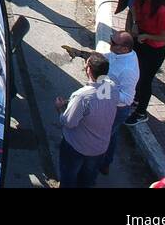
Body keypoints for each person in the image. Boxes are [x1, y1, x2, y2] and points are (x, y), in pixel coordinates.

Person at [62, 31, 138, 176]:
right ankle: (104, 163)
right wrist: (84, 55)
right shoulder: (118, 54)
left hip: (117, 108)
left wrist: (105, 94)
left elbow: (127, 98)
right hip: (107, 97)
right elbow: (105, 59)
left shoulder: (129, 69)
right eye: (111, 40)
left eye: (114, 43)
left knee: (103, 134)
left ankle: (96, 164)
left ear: (124, 49)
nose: (110, 44)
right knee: (110, 134)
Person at [54, 53, 117, 188]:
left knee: (68, 178)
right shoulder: (111, 87)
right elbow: (99, 101)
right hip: (99, 148)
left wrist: (60, 108)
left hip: (77, 147)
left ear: (88, 69)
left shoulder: (82, 96)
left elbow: (68, 122)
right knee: (87, 180)